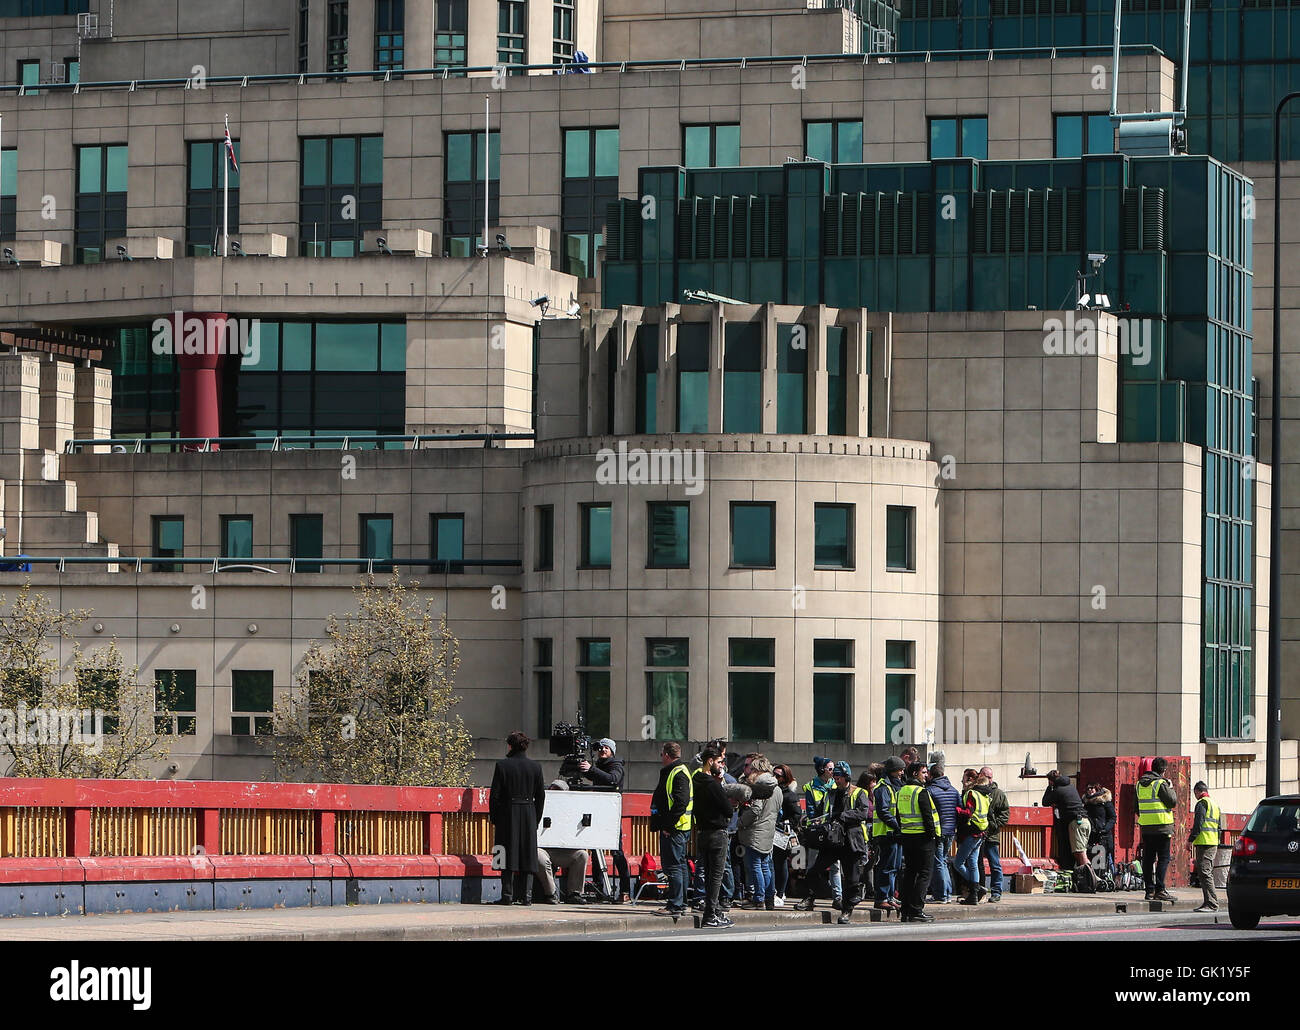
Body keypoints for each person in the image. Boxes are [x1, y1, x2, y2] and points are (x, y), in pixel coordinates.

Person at [796, 761, 870, 924]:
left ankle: (846, 910)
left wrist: (843, 816)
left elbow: (863, 813)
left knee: (851, 879)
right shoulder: (831, 793)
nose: (836, 779)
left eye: (839, 777)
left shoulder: (859, 793)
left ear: (847, 777)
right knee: (814, 871)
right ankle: (814, 896)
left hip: (851, 840)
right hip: (832, 840)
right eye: (835, 776)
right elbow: (822, 812)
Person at [693, 746, 751, 928]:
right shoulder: (712, 783)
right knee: (716, 876)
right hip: (717, 833)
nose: (722, 765)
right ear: (710, 762)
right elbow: (727, 809)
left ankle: (714, 910)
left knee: (708, 872)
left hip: (702, 832)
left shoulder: (696, 779)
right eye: (719, 762)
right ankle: (711, 915)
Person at [488, 730, 547, 906]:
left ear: (510, 745)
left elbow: (494, 796)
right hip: (528, 812)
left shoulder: (502, 765)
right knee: (528, 854)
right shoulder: (536, 767)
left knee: (504, 853)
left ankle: (507, 895)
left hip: (508, 813)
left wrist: (495, 817)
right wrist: (535, 818)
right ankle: (527, 896)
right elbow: (541, 796)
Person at [577, 737, 631, 903]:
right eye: (600, 748)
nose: (602, 750)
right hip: (598, 811)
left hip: (611, 814)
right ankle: (598, 887)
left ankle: (625, 890)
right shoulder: (600, 766)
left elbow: (612, 779)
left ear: (612, 751)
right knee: (595, 851)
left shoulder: (616, 765)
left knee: (617, 852)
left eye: (606, 748)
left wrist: (591, 769)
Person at [649, 741, 693, 917]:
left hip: (675, 828)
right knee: (679, 865)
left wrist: (668, 825)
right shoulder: (676, 771)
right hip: (678, 827)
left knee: (673, 866)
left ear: (667, 754)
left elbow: (680, 803)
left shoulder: (678, 772)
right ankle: (679, 903)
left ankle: (675, 904)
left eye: (661, 754)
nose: (661, 758)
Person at [897, 761, 943, 922]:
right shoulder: (921, 792)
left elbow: (898, 816)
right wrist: (934, 836)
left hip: (907, 837)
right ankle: (917, 910)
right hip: (924, 838)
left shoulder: (901, 791)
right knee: (924, 874)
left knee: (910, 873)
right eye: (923, 772)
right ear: (915, 773)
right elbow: (928, 817)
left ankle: (905, 910)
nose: (926, 775)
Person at [533, 780, 587, 904]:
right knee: (538, 855)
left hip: (564, 850)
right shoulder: (541, 804)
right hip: (545, 848)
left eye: (557, 790)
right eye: (552, 790)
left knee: (582, 855)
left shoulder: (572, 810)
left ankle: (575, 893)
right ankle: (551, 893)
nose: (553, 792)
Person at [738, 755, 781, 910]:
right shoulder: (777, 788)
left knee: (755, 866)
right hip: (769, 832)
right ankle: (768, 898)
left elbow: (755, 809)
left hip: (756, 832)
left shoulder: (760, 786)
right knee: (765, 866)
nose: (750, 772)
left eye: (753, 769)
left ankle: (759, 899)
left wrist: (741, 821)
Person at [1042, 770, 1095, 891]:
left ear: (1051, 781)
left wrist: (1049, 787)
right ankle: (1089, 880)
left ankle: (1091, 881)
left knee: (1080, 853)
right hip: (1084, 821)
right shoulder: (1071, 786)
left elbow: (1045, 802)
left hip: (1077, 823)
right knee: (1080, 852)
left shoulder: (1058, 790)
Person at [802, 756, 842, 908]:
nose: (833, 772)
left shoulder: (836, 785)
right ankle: (810, 896)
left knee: (835, 865)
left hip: (832, 831)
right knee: (812, 864)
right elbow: (811, 811)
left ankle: (838, 897)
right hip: (818, 831)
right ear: (821, 770)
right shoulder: (811, 787)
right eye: (830, 769)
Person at [1136, 757, 1178, 902]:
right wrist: (1170, 787)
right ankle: (1160, 889)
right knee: (1164, 858)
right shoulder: (1161, 783)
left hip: (1146, 828)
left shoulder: (1139, 785)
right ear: (1163, 770)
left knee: (1148, 859)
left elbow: (1137, 807)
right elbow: (1172, 802)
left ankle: (1149, 890)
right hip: (1162, 827)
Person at [871, 756, 905, 910]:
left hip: (895, 833)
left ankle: (890, 897)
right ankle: (882, 898)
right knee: (886, 866)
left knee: (895, 866)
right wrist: (897, 826)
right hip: (886, 833)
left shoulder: (894, 786)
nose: (902, 772)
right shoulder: (883, 787)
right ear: (892, 770)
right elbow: (884, 811)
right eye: (899, 769)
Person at [925, 759, 959, 904]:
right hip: (951, 830)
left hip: (938, 831)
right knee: (944, 860)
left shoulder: (930, 791)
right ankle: (948, 893)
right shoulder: (954, 790)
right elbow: (959, 809)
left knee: (938, 862)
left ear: (931, 776)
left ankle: (941, 894)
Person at [954, 772, 990, 904]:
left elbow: (968, 812)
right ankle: (975, 894)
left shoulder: (972, 794)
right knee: (973, 863)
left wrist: (957, 809)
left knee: (958, 863)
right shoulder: (985, 795)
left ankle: (976, 888)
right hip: (982, 831)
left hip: (972, 831)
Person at [772, 763, 803, 907]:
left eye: (778, 775)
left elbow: (797, 815)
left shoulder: (789, 795)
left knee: (781, 862)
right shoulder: (772, 791)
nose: (775, 777)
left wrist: (784, 825)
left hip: (782, 834)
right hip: (772, 832)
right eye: (774, 774)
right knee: (773, 863)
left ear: (785, 778)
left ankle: (781, 892)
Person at [1188, 781, 1222, 913]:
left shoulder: (1202, 804)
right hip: (1212, 842)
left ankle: (1212, 903)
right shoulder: (1214, 804)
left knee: (1205, 873)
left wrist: (1190, 840)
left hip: (1204, 842)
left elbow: (1198, 824)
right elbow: (1219, 827)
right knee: (1205, 873)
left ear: (1197, 791)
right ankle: (1208, 902)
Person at [980, 766, 1009, 903]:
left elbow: (1005, 815)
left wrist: (994, 825)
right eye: (986, 776)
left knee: (994, 864)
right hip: (978, 834)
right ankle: (978, 890)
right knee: (976, 864)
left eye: (990, 777)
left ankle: (996, 891)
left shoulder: (998, 794)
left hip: (991, 835)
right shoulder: (976, 791)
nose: (989, 780)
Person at [1083, 782, 1116, 875]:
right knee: (1091, 857)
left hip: (1103, 835)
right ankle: (1093, 879)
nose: (1090, 790)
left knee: (1100, 860)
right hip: (1091, 834)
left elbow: (1112, 817)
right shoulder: (1087, 803)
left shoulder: (1105, 801)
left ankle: (1101, 878)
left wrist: (1105, 828)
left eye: (1092, 788)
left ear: (1097, 789)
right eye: (1088, 789)